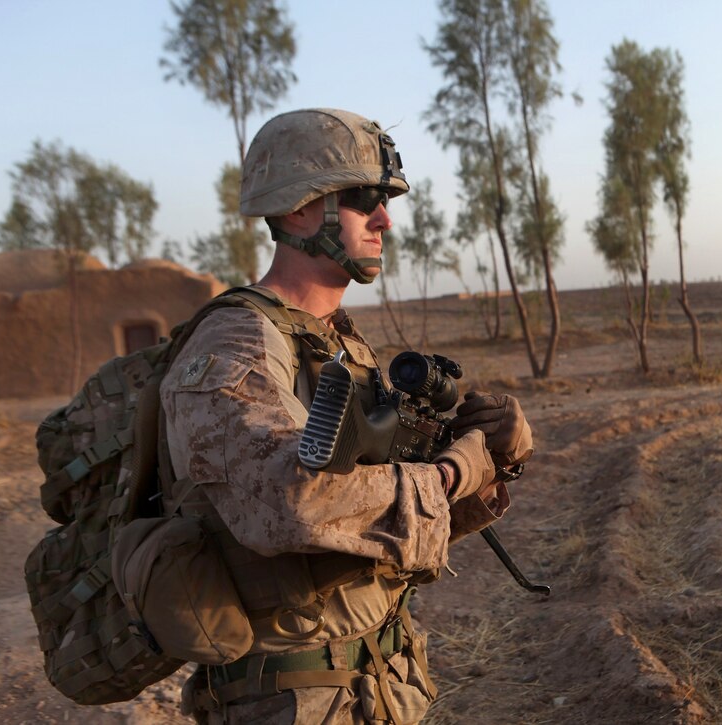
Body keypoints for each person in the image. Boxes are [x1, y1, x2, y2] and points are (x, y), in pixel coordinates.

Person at [159, 108, 533, 724]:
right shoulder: (235, 345)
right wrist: (445, 476)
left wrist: (490, 460)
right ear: (300, 209)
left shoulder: (335, 342)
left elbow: (373, 531)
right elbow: (286, 506)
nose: (386, 219)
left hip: (375, 684)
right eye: (365, 200)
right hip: (291, 699)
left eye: (384, 201)